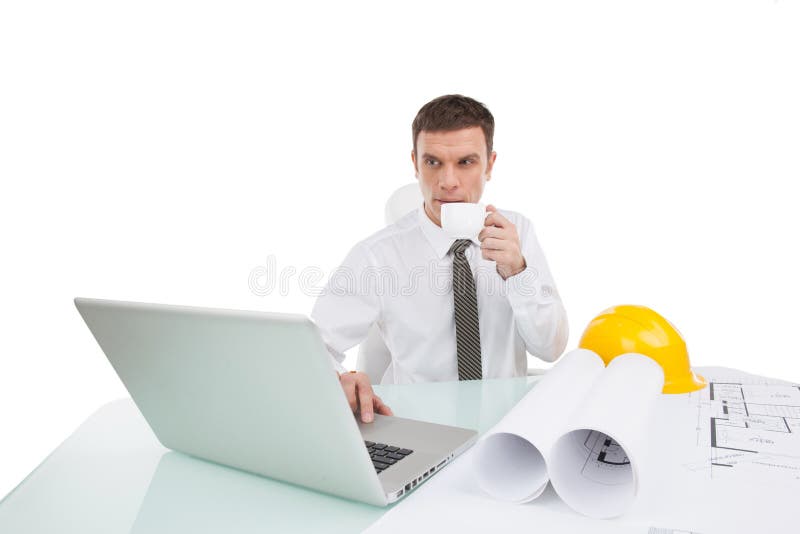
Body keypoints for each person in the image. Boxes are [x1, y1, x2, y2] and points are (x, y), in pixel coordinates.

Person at [311, 94, 569, 423]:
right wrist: (340, 381)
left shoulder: (518, 233)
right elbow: (314, 349)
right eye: (432, 162)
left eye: (465, 162)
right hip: (417, 433)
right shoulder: (376, 256)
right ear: (414, 163)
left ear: (489, 165)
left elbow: (551, 348)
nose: (447, 182)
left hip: (506, 433)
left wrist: (518, 273)